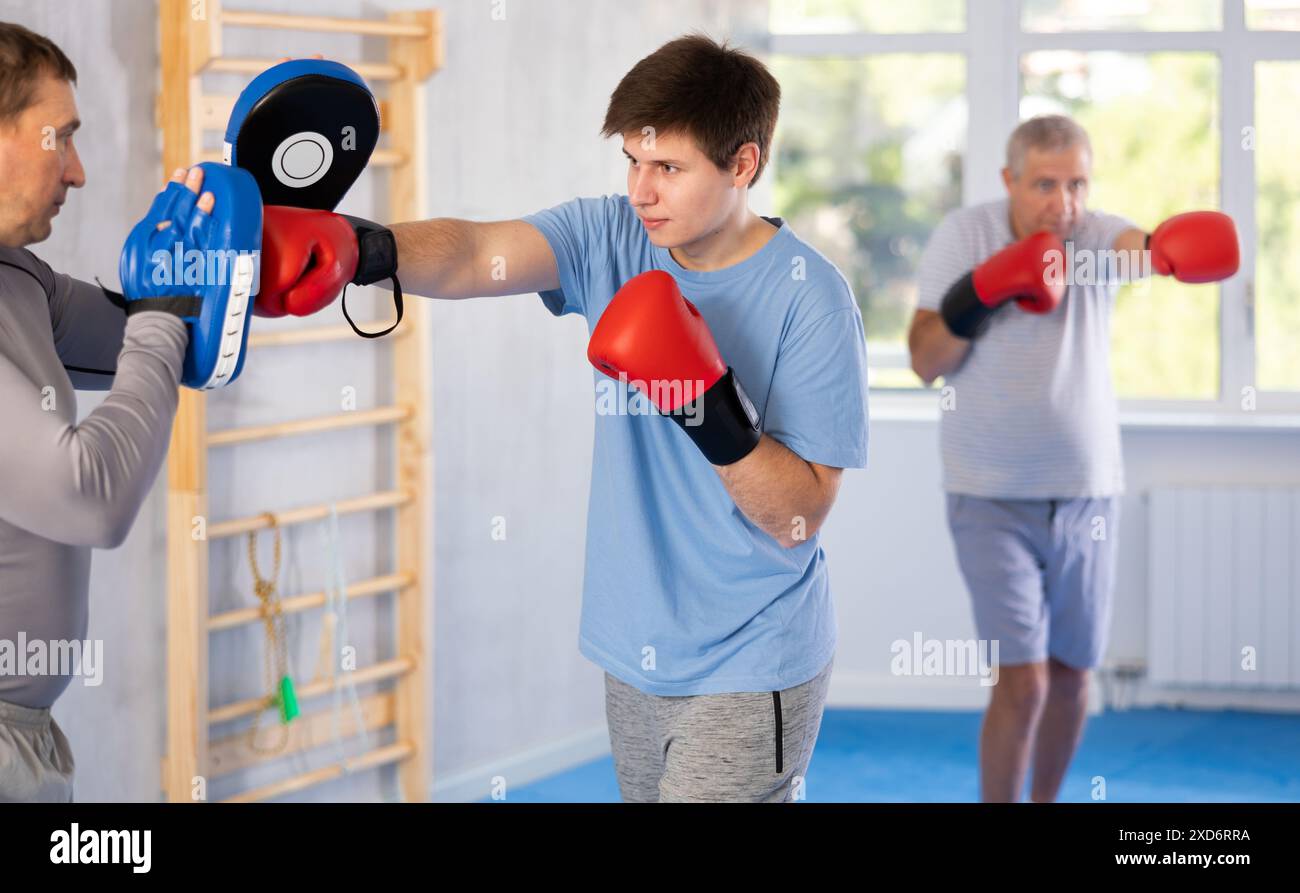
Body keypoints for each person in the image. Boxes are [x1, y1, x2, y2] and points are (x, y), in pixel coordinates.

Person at [262, 34, 870, 802]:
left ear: (742, 165)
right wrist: (359, 248)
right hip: (635, 651)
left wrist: (706, 404)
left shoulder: (810, 298)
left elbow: (800, 514)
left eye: (669, 169)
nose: (642, 190)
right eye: (632, 162)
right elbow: (473, 252)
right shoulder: (612, 235)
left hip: (751, 660)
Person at [907, 114, 1238, 802]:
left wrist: (1169, 249)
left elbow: (1141, 248)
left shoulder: (1091, 233)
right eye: (1045, 185)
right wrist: (983, 291)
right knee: (1021, 678)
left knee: (1072, 675)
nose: (1064, 204)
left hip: (1087, 493)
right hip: (988, 493)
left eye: (1077, 184)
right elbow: (922, 360)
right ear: (1009, 180)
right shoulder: (964, 235)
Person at [0, 22, 261, 801]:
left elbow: (172, 339)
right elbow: (93, 496)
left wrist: (245, 254)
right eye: (61, 138)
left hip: (27, 734)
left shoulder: (19, 278)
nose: (76, 172)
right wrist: (165, 310)